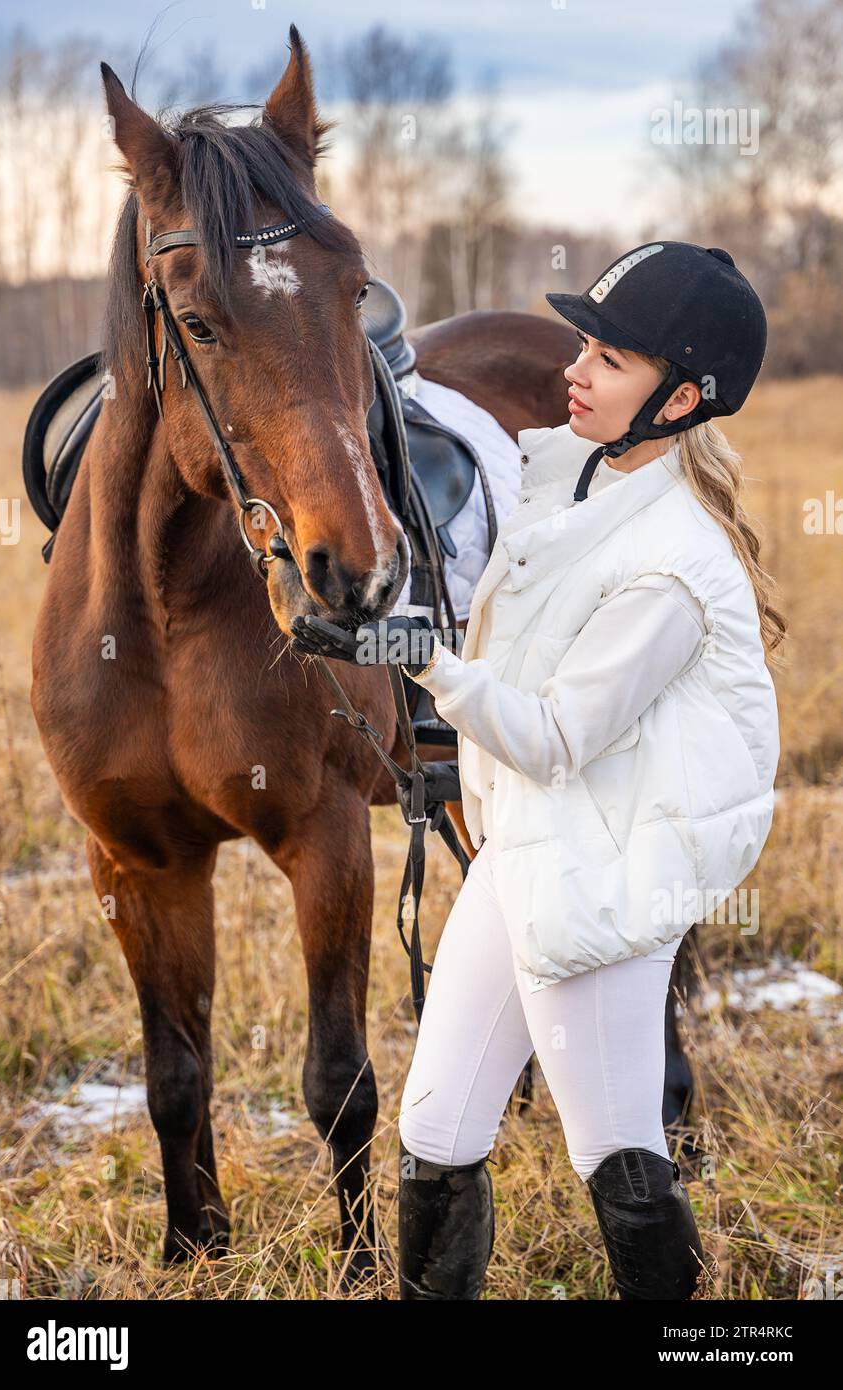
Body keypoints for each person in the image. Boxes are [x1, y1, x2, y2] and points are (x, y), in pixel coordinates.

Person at [289, 242, 785, 1301]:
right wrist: (379, 637)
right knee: (432, 1126)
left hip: (600, 875)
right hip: (523, 852)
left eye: (607, 357)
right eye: (585, 345)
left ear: (683, 397)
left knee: (613, 1153)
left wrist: (410, 648)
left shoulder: (670, 568)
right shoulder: (572, 484)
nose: (575, 368)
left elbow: (554, 733)